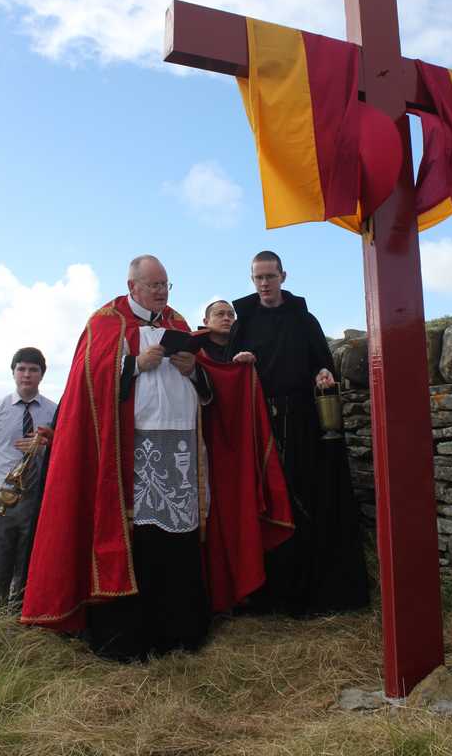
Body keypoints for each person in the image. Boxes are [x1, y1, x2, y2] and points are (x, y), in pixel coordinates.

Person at [21, 255, 293, 660]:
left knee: (177, 545)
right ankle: (130, 640)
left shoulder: (179, 323)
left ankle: (180, 633)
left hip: (180, 448)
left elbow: (207, 388)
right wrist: (133, 364)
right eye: (154, 286)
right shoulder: (105, 323)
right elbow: (86, 387)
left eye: (166, 285)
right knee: (139, 542)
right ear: (132, 286)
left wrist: (192, 369)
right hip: (130, 456)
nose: (162, 293)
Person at [228, 250, 369, 616]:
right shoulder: (243, 322)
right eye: (258, 277)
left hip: (301, 422)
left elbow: (319, 361)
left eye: (270, 277)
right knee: (266, 503)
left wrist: (322, 372)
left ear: (283, 276)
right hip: (260, 425)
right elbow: (228, 366)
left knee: (303, 501)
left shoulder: (303, 319)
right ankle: (266, 594)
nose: (263, 284)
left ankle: (305, 592)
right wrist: (239, 363)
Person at [0, 347, 56, 627]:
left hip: (38, 504)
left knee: (29, 574)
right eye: (22, 369)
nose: (27, 375)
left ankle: (23, 631)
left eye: (33, 369)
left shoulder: (54, 412)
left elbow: (66, 455)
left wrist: (46, 446)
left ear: (42, 374)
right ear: (13, 372)